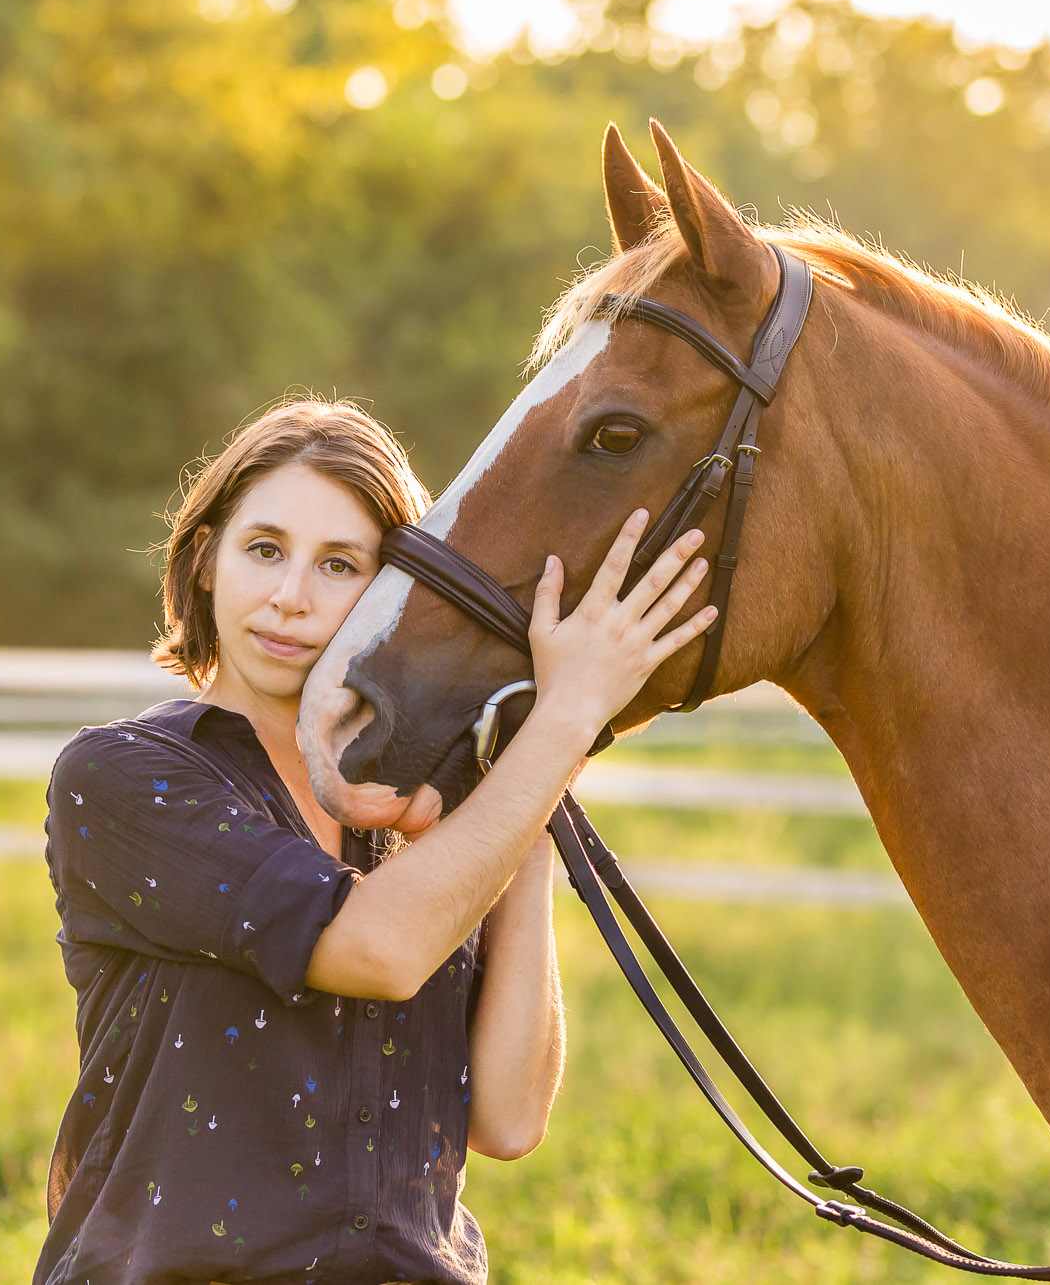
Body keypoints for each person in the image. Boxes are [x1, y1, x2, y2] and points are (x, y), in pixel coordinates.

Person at [37, 399, 715, 1285]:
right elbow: (378, 947)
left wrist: (524, 786)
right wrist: (567, 717)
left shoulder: (425, 814)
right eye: (264, 549)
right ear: (204, 560)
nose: (291, 596)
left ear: (394, 591)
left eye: (339, 565)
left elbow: (510, 1118)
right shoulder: (122, 776)